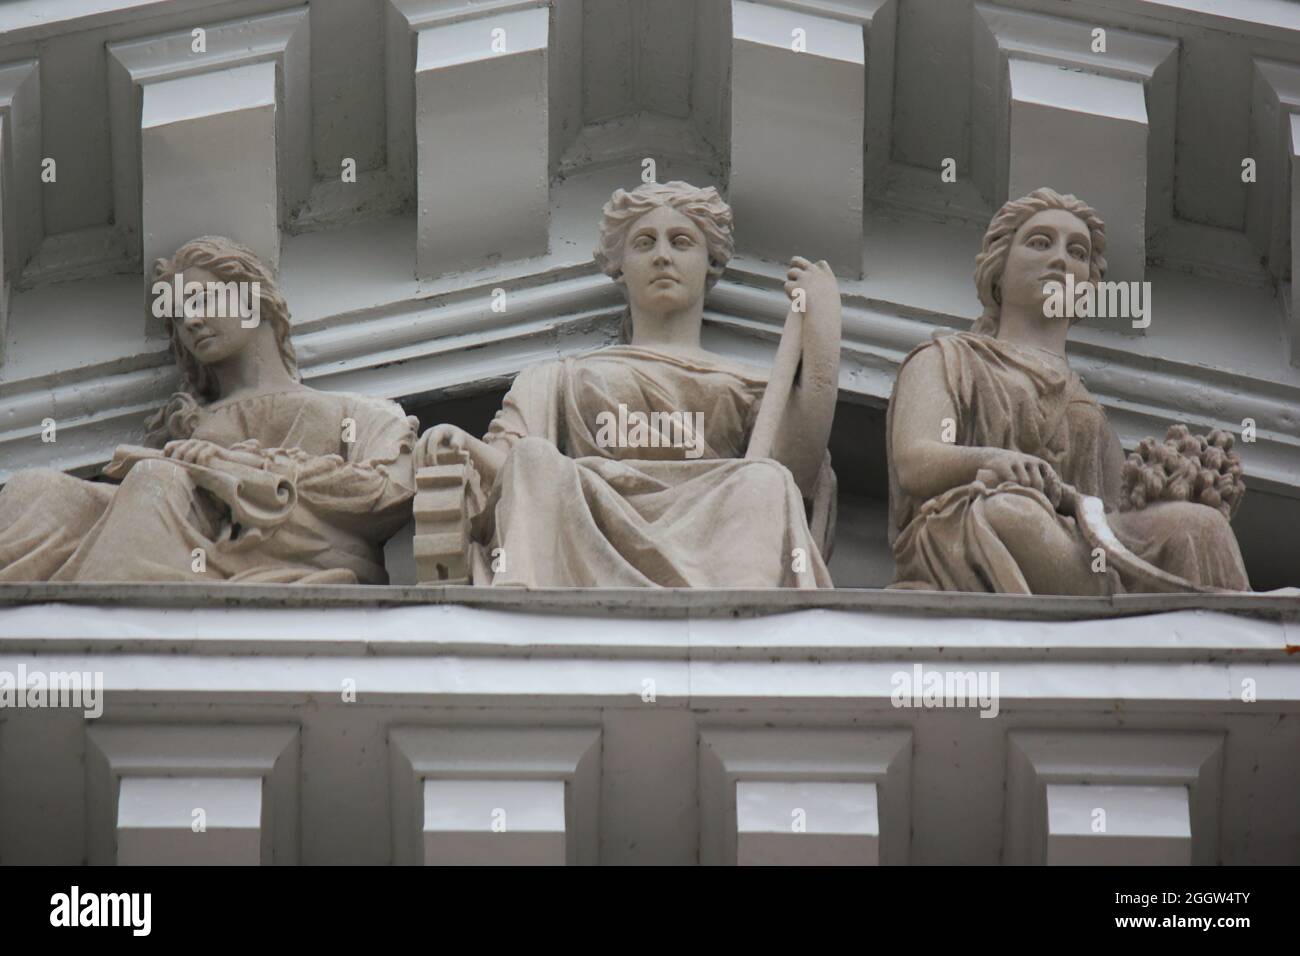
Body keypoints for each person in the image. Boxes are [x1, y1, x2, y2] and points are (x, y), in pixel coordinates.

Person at [419, 181, 840, 587]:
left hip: (717, 524)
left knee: (765, 480)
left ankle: (742, 608)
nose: (662, 256)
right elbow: (511, 465)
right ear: (619, 265)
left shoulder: (748, 385)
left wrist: (823, 332)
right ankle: (529, 595)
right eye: (644, 243)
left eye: (680, 241)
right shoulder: (558, 378)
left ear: (710, 261)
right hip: (586, 519)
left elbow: (795, 471)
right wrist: (461, 444)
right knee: (533, 456)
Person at [887, 188, 1249, 594]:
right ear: (998, 271)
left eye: (1077, 252)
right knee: (1012, 513)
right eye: (1040, 243)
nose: (1060, 258)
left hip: (1085, 546)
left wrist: (1171, 484)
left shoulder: (1091, 413)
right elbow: (915, 460)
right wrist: (994, 459)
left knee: (1199, 525)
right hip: (999, 524)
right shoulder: (949, 358)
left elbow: (1111, 516)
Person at [0, 236, 417, 584]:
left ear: (254, 301)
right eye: (180, 315)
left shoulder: (355, 412)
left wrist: (245, 465)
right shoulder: (185, 426)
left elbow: (390, 490)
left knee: (156, 477)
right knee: (37, 488)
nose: (192, 321)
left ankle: (93, 629)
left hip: (282, 547)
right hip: (174, 525)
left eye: (201, 300)